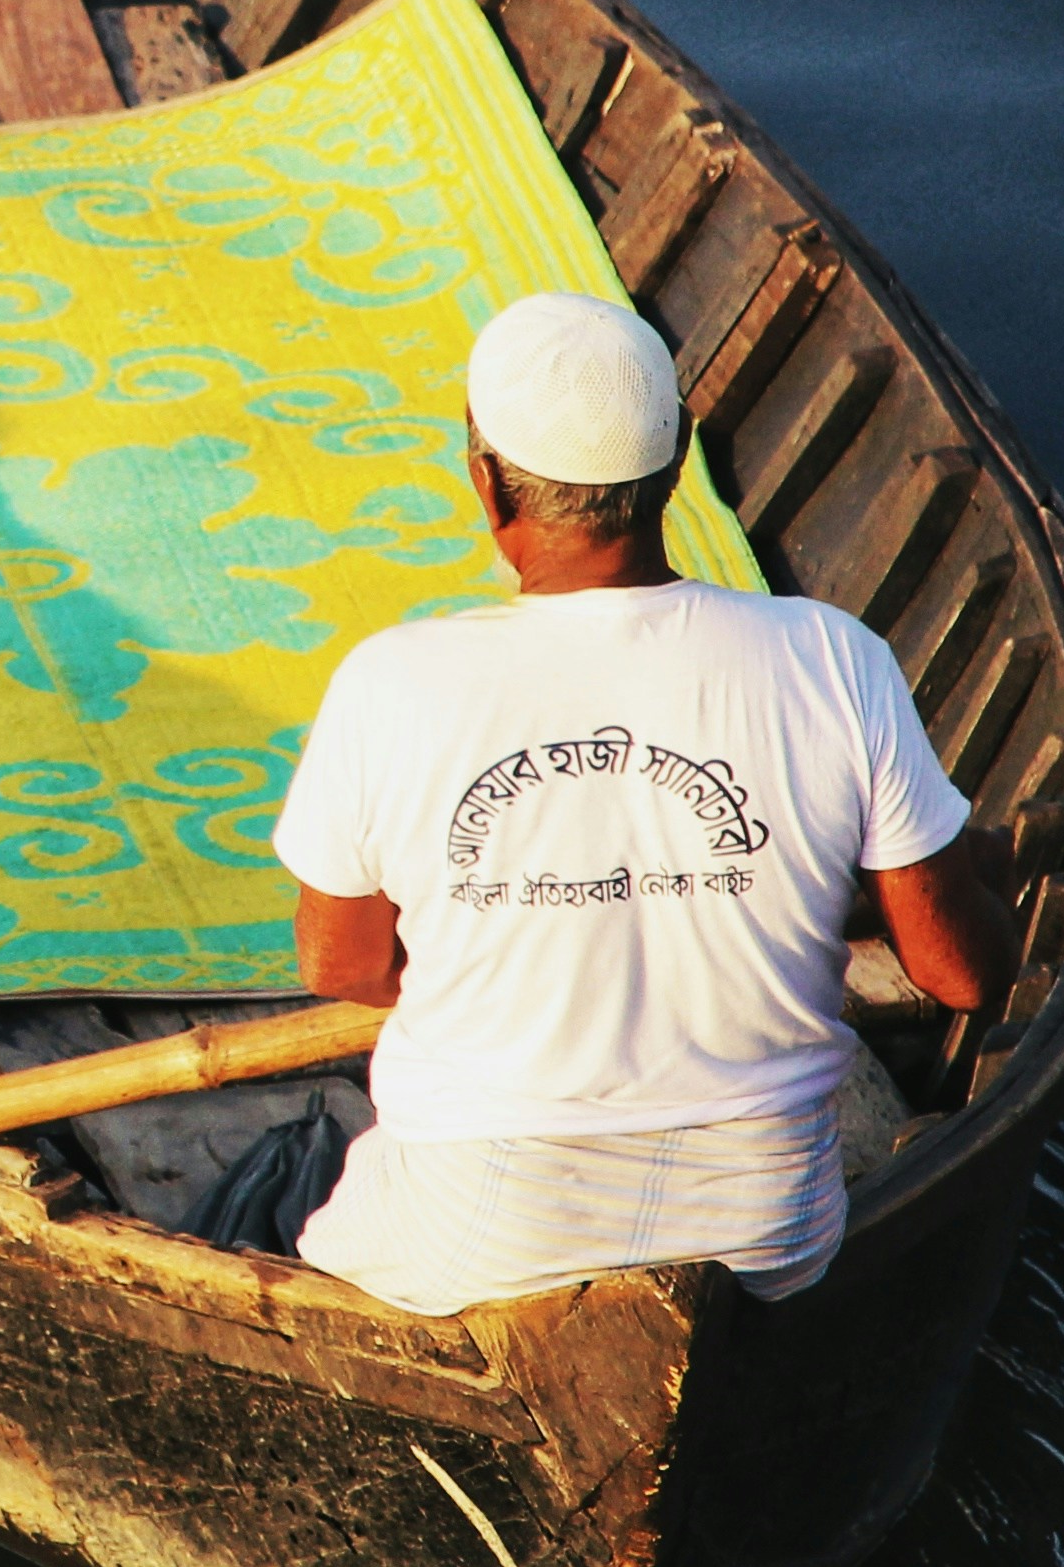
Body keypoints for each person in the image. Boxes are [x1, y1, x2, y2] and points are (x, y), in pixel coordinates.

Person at [253, 291, 1017, 1314]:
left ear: (486, 485)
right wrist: (965, 883)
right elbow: (961, 975)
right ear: (681, 459)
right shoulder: (835, 658)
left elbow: (339, 963)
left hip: (484, 1242)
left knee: (312, 1222)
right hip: (767, 1237)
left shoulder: (393, 681)